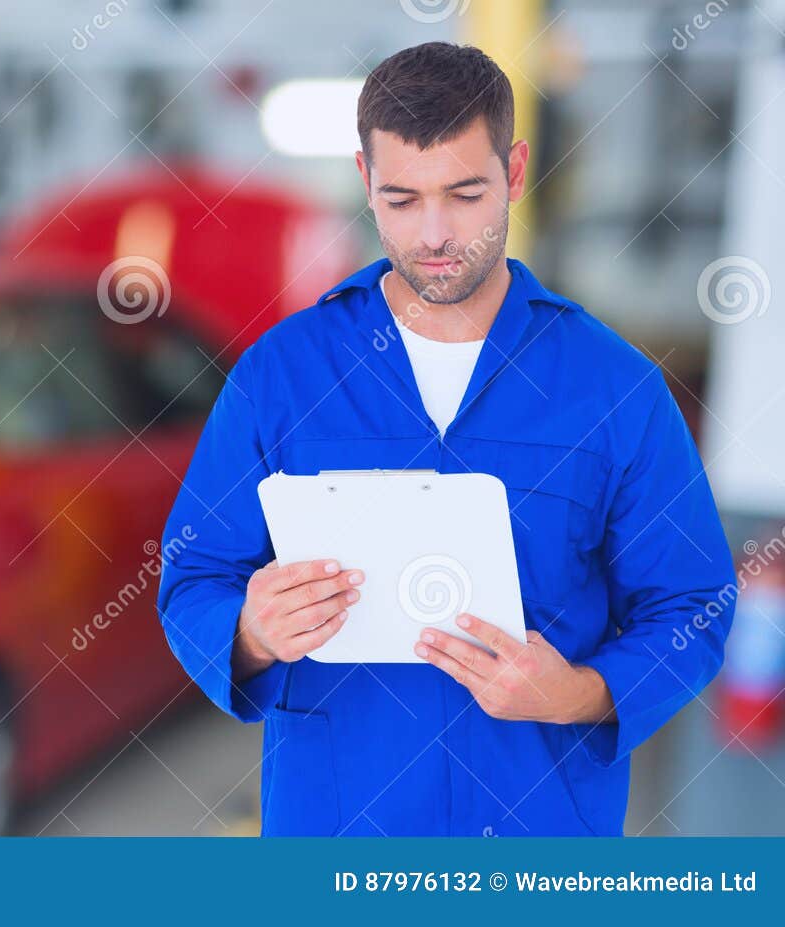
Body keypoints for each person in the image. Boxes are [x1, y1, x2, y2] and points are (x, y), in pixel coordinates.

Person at [156, 42, 736, 836]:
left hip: (537, 832)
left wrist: (581, 693)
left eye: (465, 194)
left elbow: (692, 602)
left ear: (516, 170)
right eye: (401, 198)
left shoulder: (612, 387)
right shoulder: (282, 375)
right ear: (365, 180)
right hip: (337, 832)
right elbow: (194, 575)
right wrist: (249, 632)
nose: (434, 233)